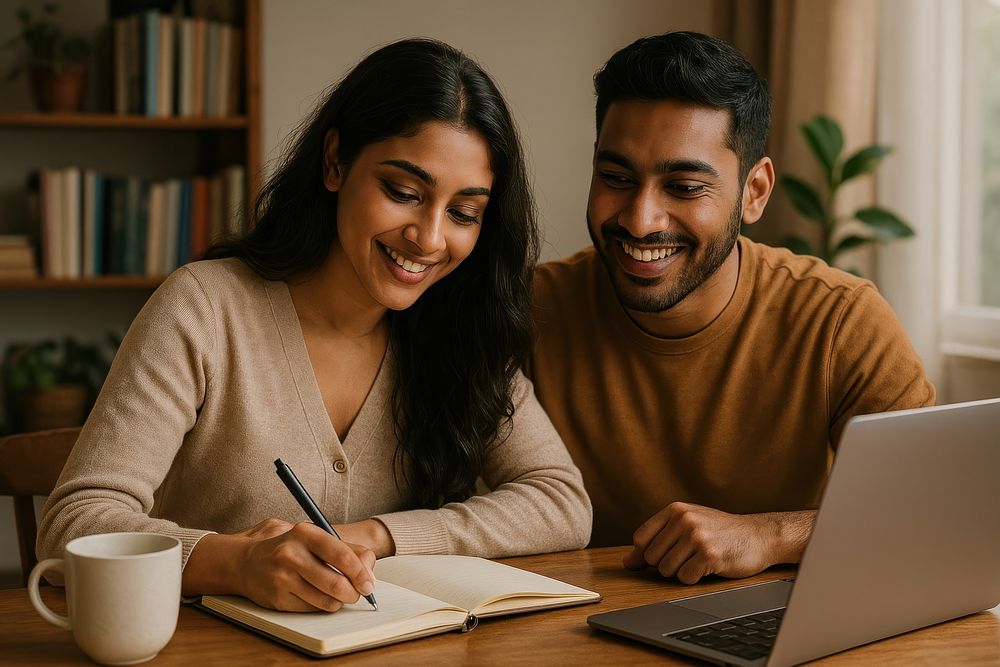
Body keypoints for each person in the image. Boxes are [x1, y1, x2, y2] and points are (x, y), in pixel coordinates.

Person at [38, 38, 591, 613]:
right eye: (403, 192)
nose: (429, 239)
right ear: (334, 162)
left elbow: (560, 503)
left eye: (463, 213)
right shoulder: (205, 309)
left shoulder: (460, 327)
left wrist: (379, 536)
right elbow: (73, 526)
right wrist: (236, 563)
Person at [527, 31, 934, 585]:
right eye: (616, 178)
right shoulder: (527, 311)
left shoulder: (839, 320)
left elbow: (930, 509)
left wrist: (771, 535)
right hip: (574, 632)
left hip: (774, 633)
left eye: (685, 186)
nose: (640, 219)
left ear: (755, 191)